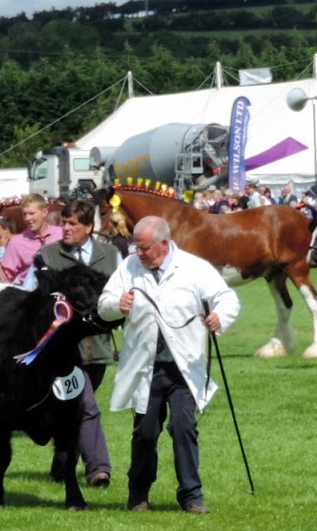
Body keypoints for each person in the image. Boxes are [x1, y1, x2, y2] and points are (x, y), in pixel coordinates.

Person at [96, 215, 240, 514]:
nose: (138, 253)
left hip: (183, 365)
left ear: (164, 244)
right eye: (136, 247)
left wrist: (220, 317)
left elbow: (227, 299)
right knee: (145, 432)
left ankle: (192, 496)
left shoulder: (194, 268)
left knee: (183, 427)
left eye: (144, 248)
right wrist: (117, 304)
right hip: (145, 365)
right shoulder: (129, 266)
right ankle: (138, 494)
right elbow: (104, 303)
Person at [39, 200, 118, 488]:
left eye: (73, 224)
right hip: (63, 349)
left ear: (89, 227)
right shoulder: (48, 256)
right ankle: (98, 469)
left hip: (99, 347)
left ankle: (63, 459)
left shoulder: (111, 255)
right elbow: (33, 297)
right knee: (86, 406)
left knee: (73, 408)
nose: (66, 228)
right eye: (64, 223)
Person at [0, 194, 61, 288]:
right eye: (24, 214)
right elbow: (5, 278)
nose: (27, 218)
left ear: (45, 212)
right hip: (29, 293)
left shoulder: (61, 234)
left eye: (31, 213)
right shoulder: (16, 242)